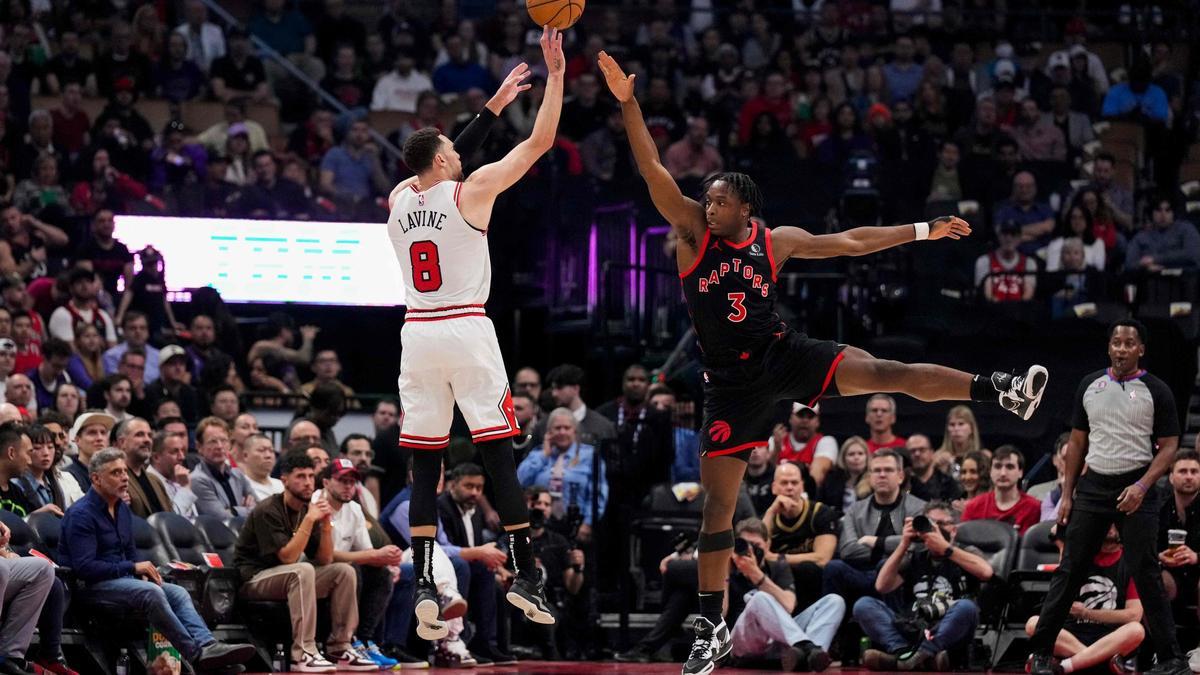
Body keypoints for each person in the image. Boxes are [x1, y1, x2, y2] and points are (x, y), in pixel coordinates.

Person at [601, 49, 1047, 674]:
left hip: (782, 354)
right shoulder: (692, 233)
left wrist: (922, 229)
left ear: (745, 209)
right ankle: (710, 627)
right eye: (706, 198)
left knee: (885, 372)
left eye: (719, 200)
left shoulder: (774, 241)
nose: (708, 205)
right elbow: (652, 169)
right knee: (717, 510)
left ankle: (999, 389)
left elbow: (852, 242)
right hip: (730, 384)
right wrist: (629, 104)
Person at [388, 27, 567, 642]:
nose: (461, 155)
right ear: (443, 161)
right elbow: (540, 141)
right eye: (453, 151)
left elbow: (435, 166)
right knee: (497, 452)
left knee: (424, 466)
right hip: (465, 328)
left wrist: (492, 106)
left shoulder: (398, 200)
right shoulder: (475, 191)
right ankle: (526, 573)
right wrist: (555, 74)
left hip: (417, 335)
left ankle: (422, 584)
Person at [1028, 320, 1189, 675]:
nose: (1121, 349)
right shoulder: (1090, 385)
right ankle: (1040, 654)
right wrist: (1067, 494)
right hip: (1094, 485)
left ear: (1141, 349)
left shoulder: (1157, 390)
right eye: (1116, 342)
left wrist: (1142, 487)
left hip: (1138, 485)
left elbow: (1170, 447)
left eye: (1129, 343)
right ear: (1108, 347)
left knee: (1146, 571)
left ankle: (1172, 660)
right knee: (1070, 569)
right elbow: (1077, 443)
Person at [60, 448, 255, 671]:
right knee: (151, 592)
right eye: (115, 473)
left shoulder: (122, 509)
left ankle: (208, 646)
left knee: (177, 592)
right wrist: (133, 567)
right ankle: (195, 654)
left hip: (122, 581)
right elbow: (84, 568)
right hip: (91, 587)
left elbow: (129, 552)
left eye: (124, 471)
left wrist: (138, 572)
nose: (124, 477)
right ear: (96, 479)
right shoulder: (81, 514)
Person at [234, 450, 375, 672]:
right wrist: (310, 520)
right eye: (300, 476)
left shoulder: (307, 509)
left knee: (343, 571)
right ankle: (303, 652)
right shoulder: (268, 509)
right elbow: (287, 557)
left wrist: (326, 524)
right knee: (302, 570)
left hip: (286, 576)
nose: (308, 482)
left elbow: (325, 559)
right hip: (253, 579)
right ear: (284, 480)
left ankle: (340, 647)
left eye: (310, 476)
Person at [857, 502, 993, 671]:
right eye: (931, 524)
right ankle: (907, 653)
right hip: (913, 625)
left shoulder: (966, 552)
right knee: (864, 605)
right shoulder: (916, 556)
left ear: (954, 530)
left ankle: (909, 659)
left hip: (948, 630)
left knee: (967, 607)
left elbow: (986, 572)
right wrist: (904, 544)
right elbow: (882, 586)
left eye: (942, 523)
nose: (936, 529)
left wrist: (946, 548)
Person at [313, 458, 404, 670]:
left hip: (343, 568)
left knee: (382, 574)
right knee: (351, 569)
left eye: (352, 482)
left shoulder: (354, 508)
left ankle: (364, 640)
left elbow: (366, 551)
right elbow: (324, 556)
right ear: (326, 482)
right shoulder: (315, 504)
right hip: (315, 568)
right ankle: (347, 640)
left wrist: (386, 559)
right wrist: (374, 555)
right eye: (342, 481)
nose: (348, 486)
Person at [726, 518, 844, 672]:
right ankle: (808, 648)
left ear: (767, 545)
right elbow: (720, 611)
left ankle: (808, 658)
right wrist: (724, 571)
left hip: (780, 641)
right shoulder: (726, 569)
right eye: (745, 545)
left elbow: (788, 606)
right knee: (759, 598)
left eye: (756, 545)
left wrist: (757, 576)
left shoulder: (777, 567)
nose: (751, 551)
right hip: (743, 644)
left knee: (835, 601)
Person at [1025, 525, 1144, 675]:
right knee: (1033, 624)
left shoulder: (1131, 563)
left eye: (1115, 522)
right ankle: (1096, 662)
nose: (1110, 527)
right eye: (1107, 521)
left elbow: (1134, 615)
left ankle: (1063, 666)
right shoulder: (1077, 554)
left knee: (1136, 630)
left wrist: (1086, 613)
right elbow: (1055, 529)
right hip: (1072, 632)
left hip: (1108, 636)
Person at [823, 450, 926, 602]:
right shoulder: (855, 509)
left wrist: (876, 542)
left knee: (888, 565)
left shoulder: (919, 508)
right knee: (834, 567)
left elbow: (917, 546)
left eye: (888, 470)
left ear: (900, 476)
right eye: (877, 470)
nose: (882, 475)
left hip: (896, 576)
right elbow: (847, 550)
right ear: (869, 477)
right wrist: (891, 548)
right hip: (860, 572)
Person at [762, 462, 839, 608]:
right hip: (780, 581)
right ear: (774, 488)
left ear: (802, 486)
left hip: (814, 582)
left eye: (794, 483)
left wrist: (778, 558)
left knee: (807, 568)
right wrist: (771, 512)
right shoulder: (769, 517)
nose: (790, 487)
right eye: (784, 483)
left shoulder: (821, 513)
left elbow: (822, 558)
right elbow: (759, 554)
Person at [961, 445, 1042, 534]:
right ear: (990, 471)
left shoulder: (1034, 508)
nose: (1003, 473)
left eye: (1010, 467)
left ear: (1020, 472)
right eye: (997, 466)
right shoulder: (973, 507)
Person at [1158, 449, 1200, 617]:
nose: (1189, 476)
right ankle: (1157, 635)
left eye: (1194, 472)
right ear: (1171, 477)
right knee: (1153, 581)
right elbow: (1148, 548)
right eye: (1183, 471)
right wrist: (1160, 557)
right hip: (1171, 572)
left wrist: (1196, 557)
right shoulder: (1160, 509)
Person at [190, 416, 256, 518]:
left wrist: (232, 511)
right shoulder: (197, 480)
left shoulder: (237, 474)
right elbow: (221, 518)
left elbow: (260, 509)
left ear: (230, 444)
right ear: (199, 447)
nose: (220, 446)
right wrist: (241, 510)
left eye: (224, 440)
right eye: (213, 441)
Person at [114, 417, 170, 519]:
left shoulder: (155, 480)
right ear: (122, 442)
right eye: (139, 434)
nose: (147, 440)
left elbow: (171, 517)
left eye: (150, 435)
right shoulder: (114, 479)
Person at [771, 403, 838, 477]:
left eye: (810, 416)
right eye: (800, 415)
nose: (805, 420)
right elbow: (766, 473)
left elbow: (816, 477)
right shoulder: (776, 440)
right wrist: (776, 450)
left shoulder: (826, 442)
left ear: (818, 422)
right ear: (790, 418)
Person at [144, 428, 197, 519]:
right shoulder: (148, 483)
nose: (182, 457)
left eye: (182, 451)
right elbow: (171, 520)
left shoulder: (179, 477)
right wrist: (185, 488)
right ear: (156, 457)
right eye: (175, 452)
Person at [907, 434, 963, 502]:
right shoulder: (903, 483)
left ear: (932, 453)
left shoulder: (948, 483)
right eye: (912, 451)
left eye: (922, 450)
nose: (917, 454)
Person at [236, 433, 282, 502]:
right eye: (261, 450)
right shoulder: (240, 488)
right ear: (245, 455)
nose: (268, 455)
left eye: (271, 451)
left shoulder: (281, 485)